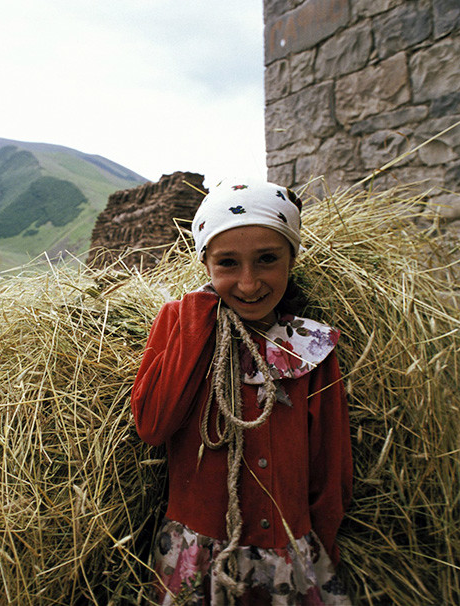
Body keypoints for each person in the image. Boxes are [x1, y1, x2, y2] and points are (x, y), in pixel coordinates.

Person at [131, 181, 353, 605]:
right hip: (198, 559)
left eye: (267, 260)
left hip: (289, 558)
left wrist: (319, 546)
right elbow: (154, 425)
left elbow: (331, 466)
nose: (249, 284)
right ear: (206, 266)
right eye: (227, 264)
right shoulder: (181, 324)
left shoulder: (310, 349)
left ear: (292, 257)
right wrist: (197, 314)